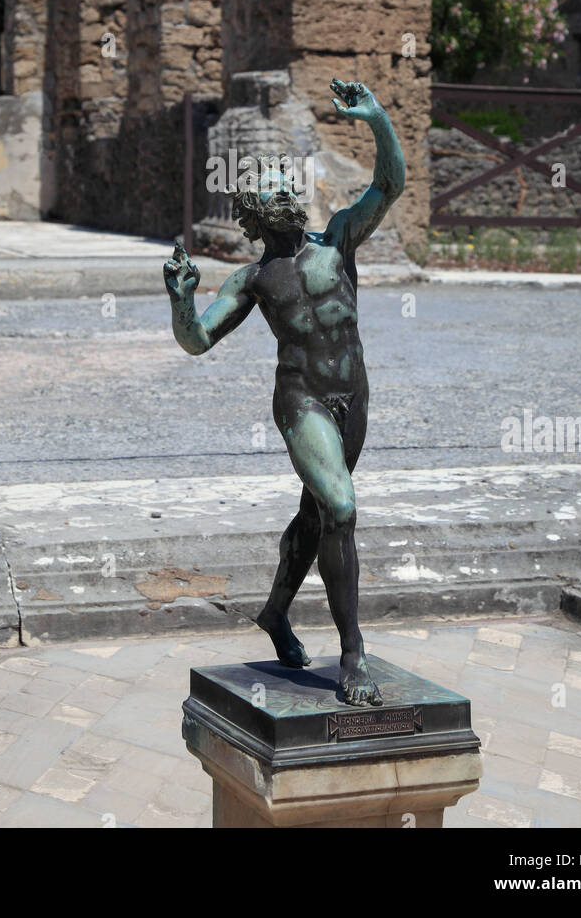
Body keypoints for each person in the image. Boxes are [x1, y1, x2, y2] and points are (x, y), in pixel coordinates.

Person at [164, 79, 406, 704]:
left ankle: (275, 612)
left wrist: (377, 118)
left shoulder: (339, 242)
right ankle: (353, 656)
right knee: (343, 508)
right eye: (270, 189)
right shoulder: (251, 279)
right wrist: (181, 298)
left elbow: (389, 186)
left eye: (286, 185)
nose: (285, 193)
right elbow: (197, 340)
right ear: (251, 215)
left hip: (353, 397)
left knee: (319, 514)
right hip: (302, 405)